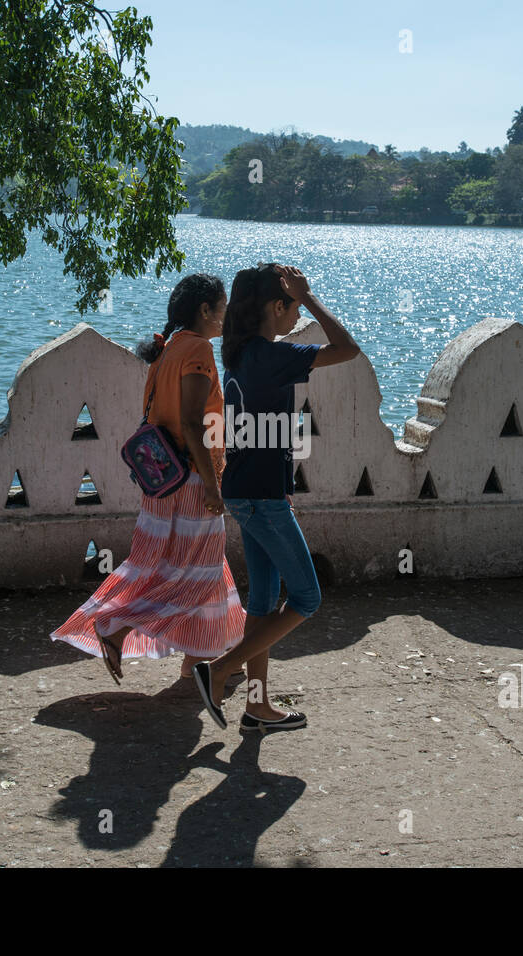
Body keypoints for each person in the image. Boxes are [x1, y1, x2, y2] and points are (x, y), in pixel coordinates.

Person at [51, 273, 245, 683]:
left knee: (192, 568)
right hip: (192, 480)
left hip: (164, 482)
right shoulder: (196, 350)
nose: (226, 318)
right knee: (194, 575)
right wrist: (213, 485)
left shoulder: (169, 349)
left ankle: (200, 661)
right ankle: (118, 627)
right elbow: (192, 424)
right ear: (206, 310)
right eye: (222, 309)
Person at [192, 263, 361, 733]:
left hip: (247, 494)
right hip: (261, 499)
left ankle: (256, 707)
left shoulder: (243, 355)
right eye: (290, 307)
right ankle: (220, 670)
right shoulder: (270, 356)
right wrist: (309, 297)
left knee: (264, 605)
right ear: (278, 306)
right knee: (306, 597)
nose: (295, 317)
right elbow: (347, 349)